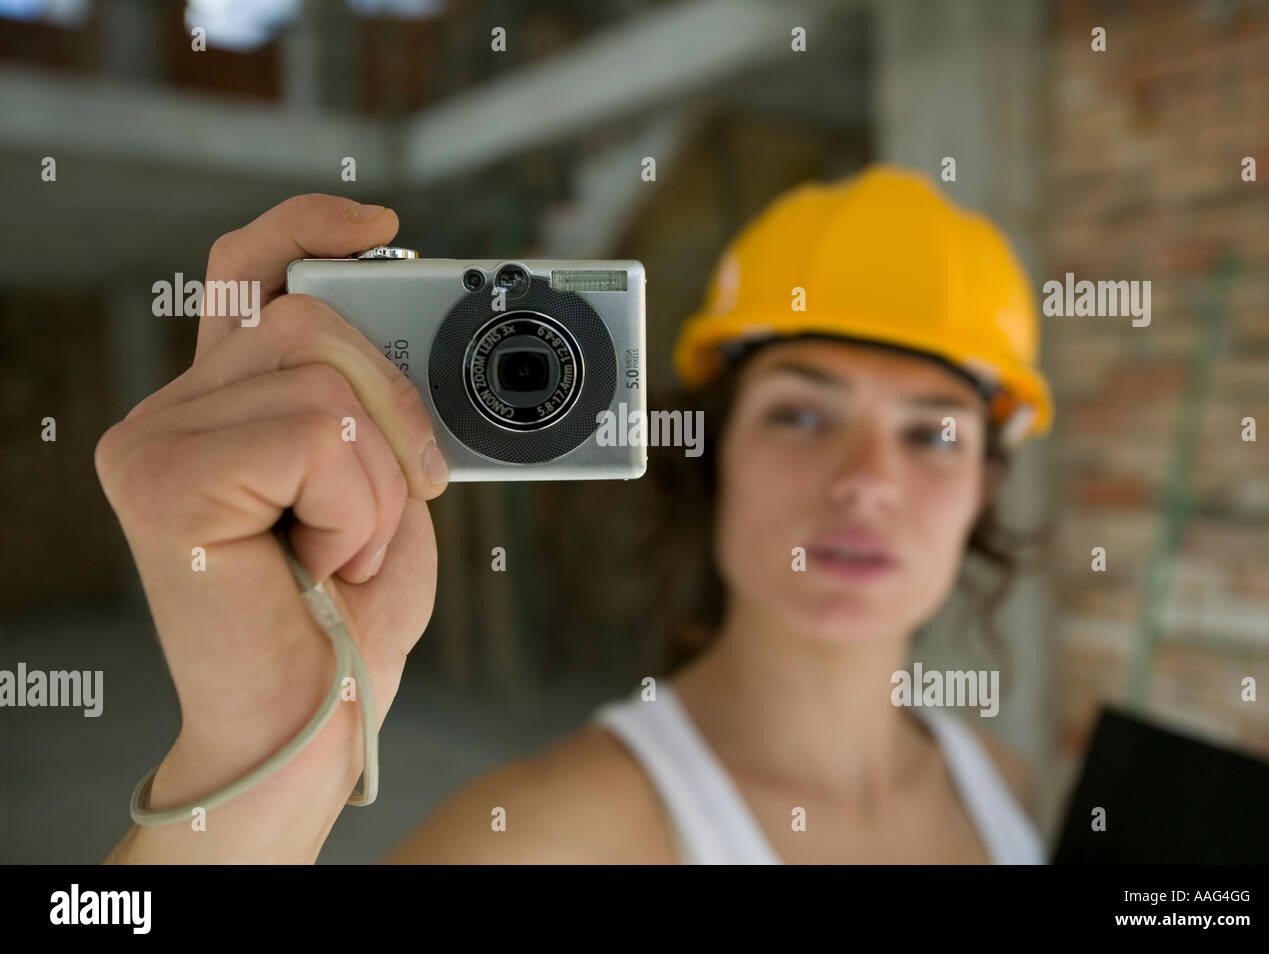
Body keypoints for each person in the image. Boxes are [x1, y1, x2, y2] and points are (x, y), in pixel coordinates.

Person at [98, 165, 1053, 865]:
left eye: (932, 435)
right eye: (801, 414)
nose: (867, 482)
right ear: (713, 456)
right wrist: (261, 767)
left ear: (985, 487)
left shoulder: (1010, 792)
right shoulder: (546, 837)